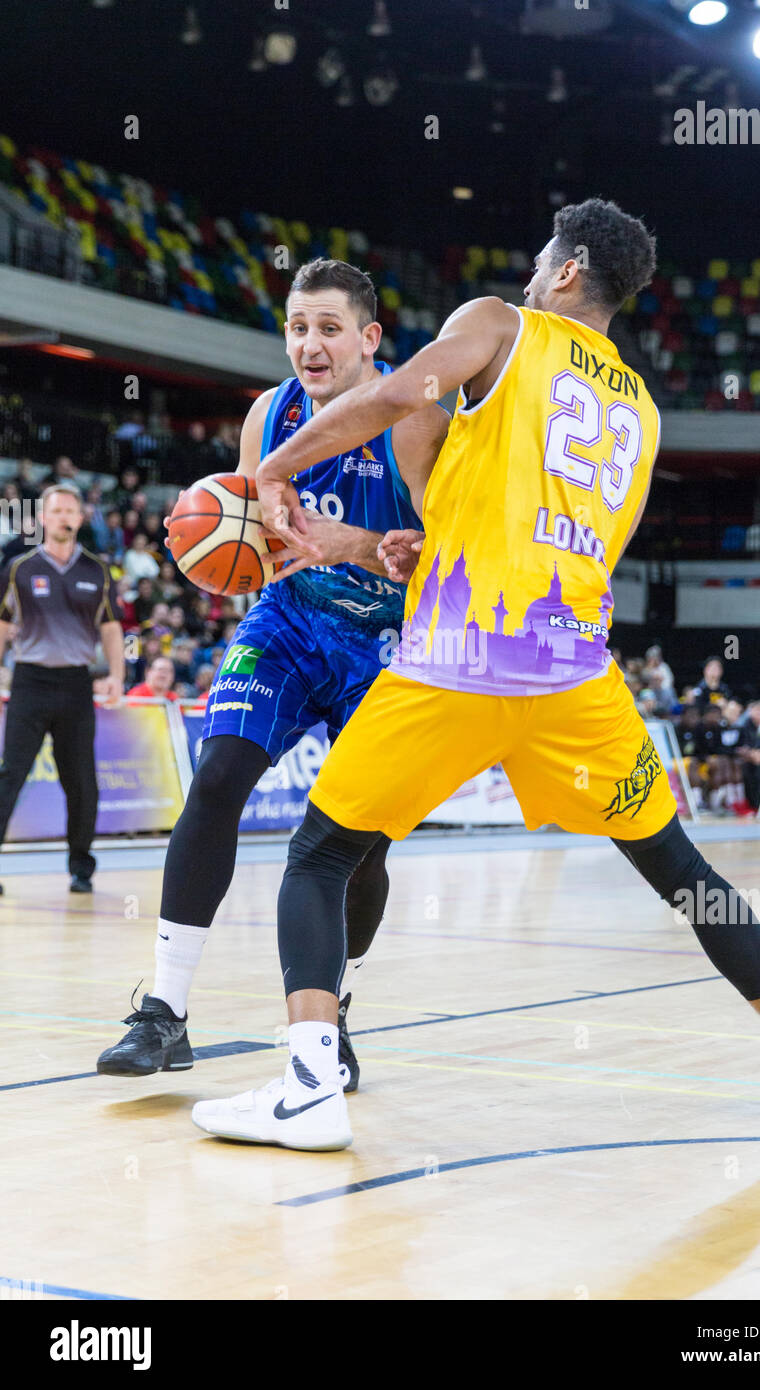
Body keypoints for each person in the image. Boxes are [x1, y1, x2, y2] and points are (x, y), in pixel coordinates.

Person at [200, 198, 760, 1151]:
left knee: (321, 856)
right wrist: (388, 541)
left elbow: (395, 396)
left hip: (457, 660)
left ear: (567, 271)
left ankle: (308, 1083)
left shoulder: (499, 324)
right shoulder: (641, 410)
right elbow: (583, 554)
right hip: (572, 672)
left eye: (541, 258)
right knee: (684, 873)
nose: (530, 271)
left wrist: (273, 470)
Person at [96, 257, 448, 1084]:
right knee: (216, 778)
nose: (309, 344)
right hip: (289, 621)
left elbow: (452, 557)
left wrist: (367, 548)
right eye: (297, 327)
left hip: (386, 645)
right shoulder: (268, 413)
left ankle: (338, 1012)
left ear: (368, 340)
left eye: (329, 328)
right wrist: (220, 547)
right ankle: (165, 1013)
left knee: (362, 848)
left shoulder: (413, 421)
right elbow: (255, 538)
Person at [0, 484, 124, 893]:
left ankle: (81, 869)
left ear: (80, 517)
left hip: (76, 683)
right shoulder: (19, 568)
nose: (64, 517)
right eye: (57, 511)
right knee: (10, 774)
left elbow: (110, 628)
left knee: (81, 780)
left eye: (71, 510)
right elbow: (2, 626)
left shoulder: (97, 570)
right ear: (42, 518)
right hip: (30, 680)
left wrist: (117, 676)